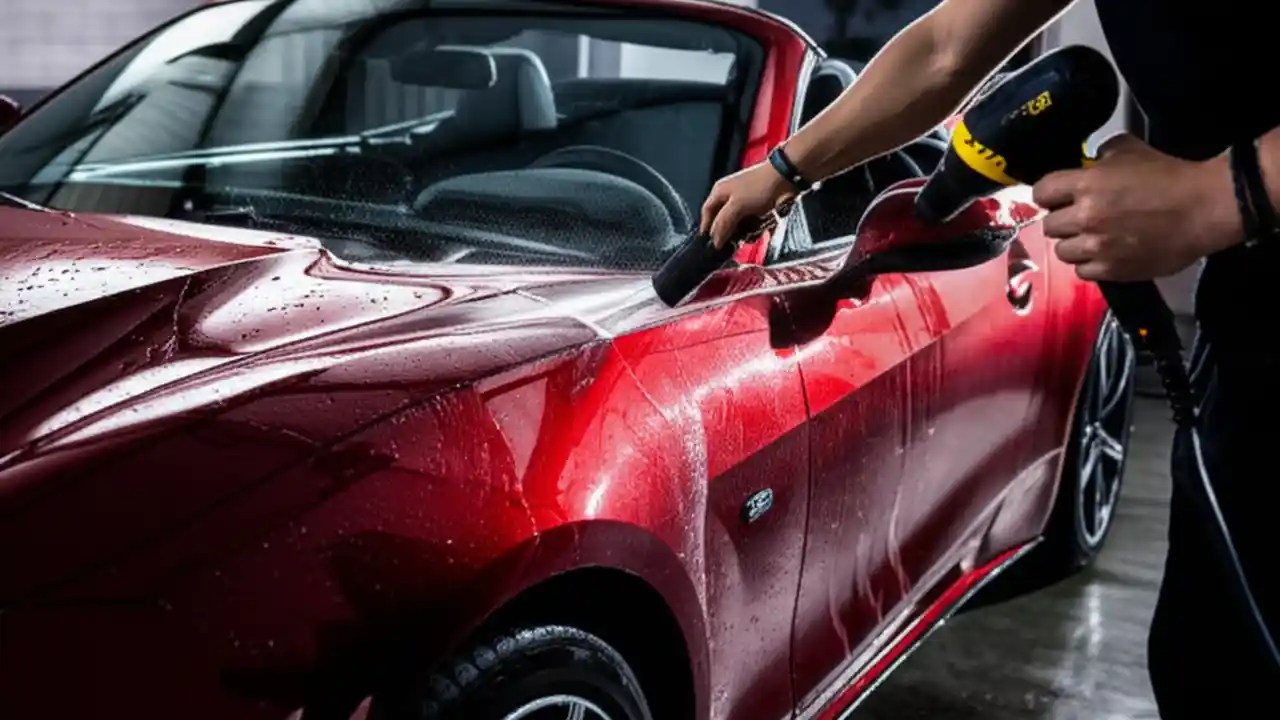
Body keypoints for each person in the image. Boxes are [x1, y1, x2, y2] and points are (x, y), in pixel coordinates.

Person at [699, 0, 1280, 716]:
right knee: (1209, 661)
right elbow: (946, 49)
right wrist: (785, 170)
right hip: (1247, 343)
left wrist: (1223, 197)